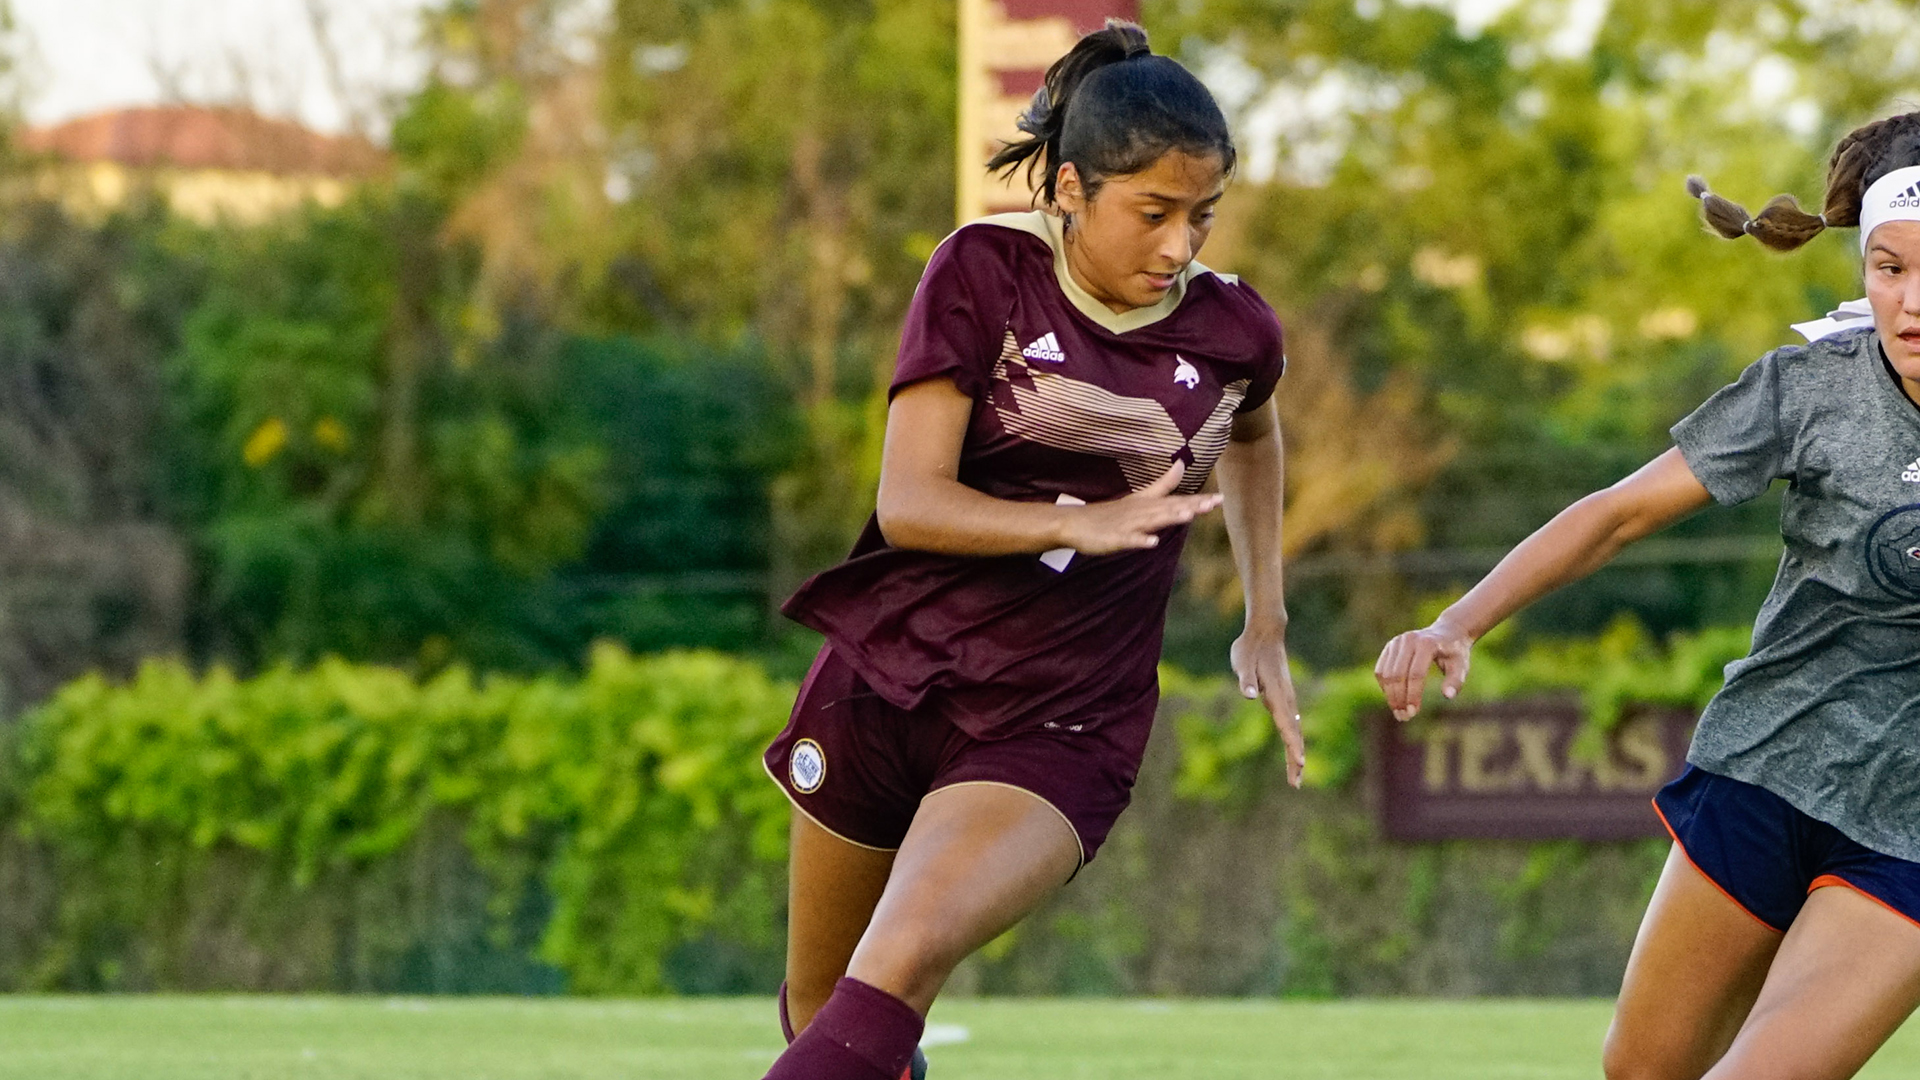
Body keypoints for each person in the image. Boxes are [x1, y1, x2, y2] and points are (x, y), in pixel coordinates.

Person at [757, 21, 1302, 1080]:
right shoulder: (983, 270)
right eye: (1152, 212)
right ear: (1067, 187)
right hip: (887, 684)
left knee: (896, 966)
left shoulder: (1236, 332)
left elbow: (1255, 428)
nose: (1180, 245)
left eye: (1202, 216)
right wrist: (1070, 521)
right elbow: (910, 502)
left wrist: (1265, 617)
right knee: (827, 1009)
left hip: (1058, 720)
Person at [1374, 111, 1920, 1080]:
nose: (1910, 302)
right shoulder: (1814, 390)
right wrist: (1460, 619)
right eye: (1888, 269)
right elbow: (1619, 513)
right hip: (1768, 766)